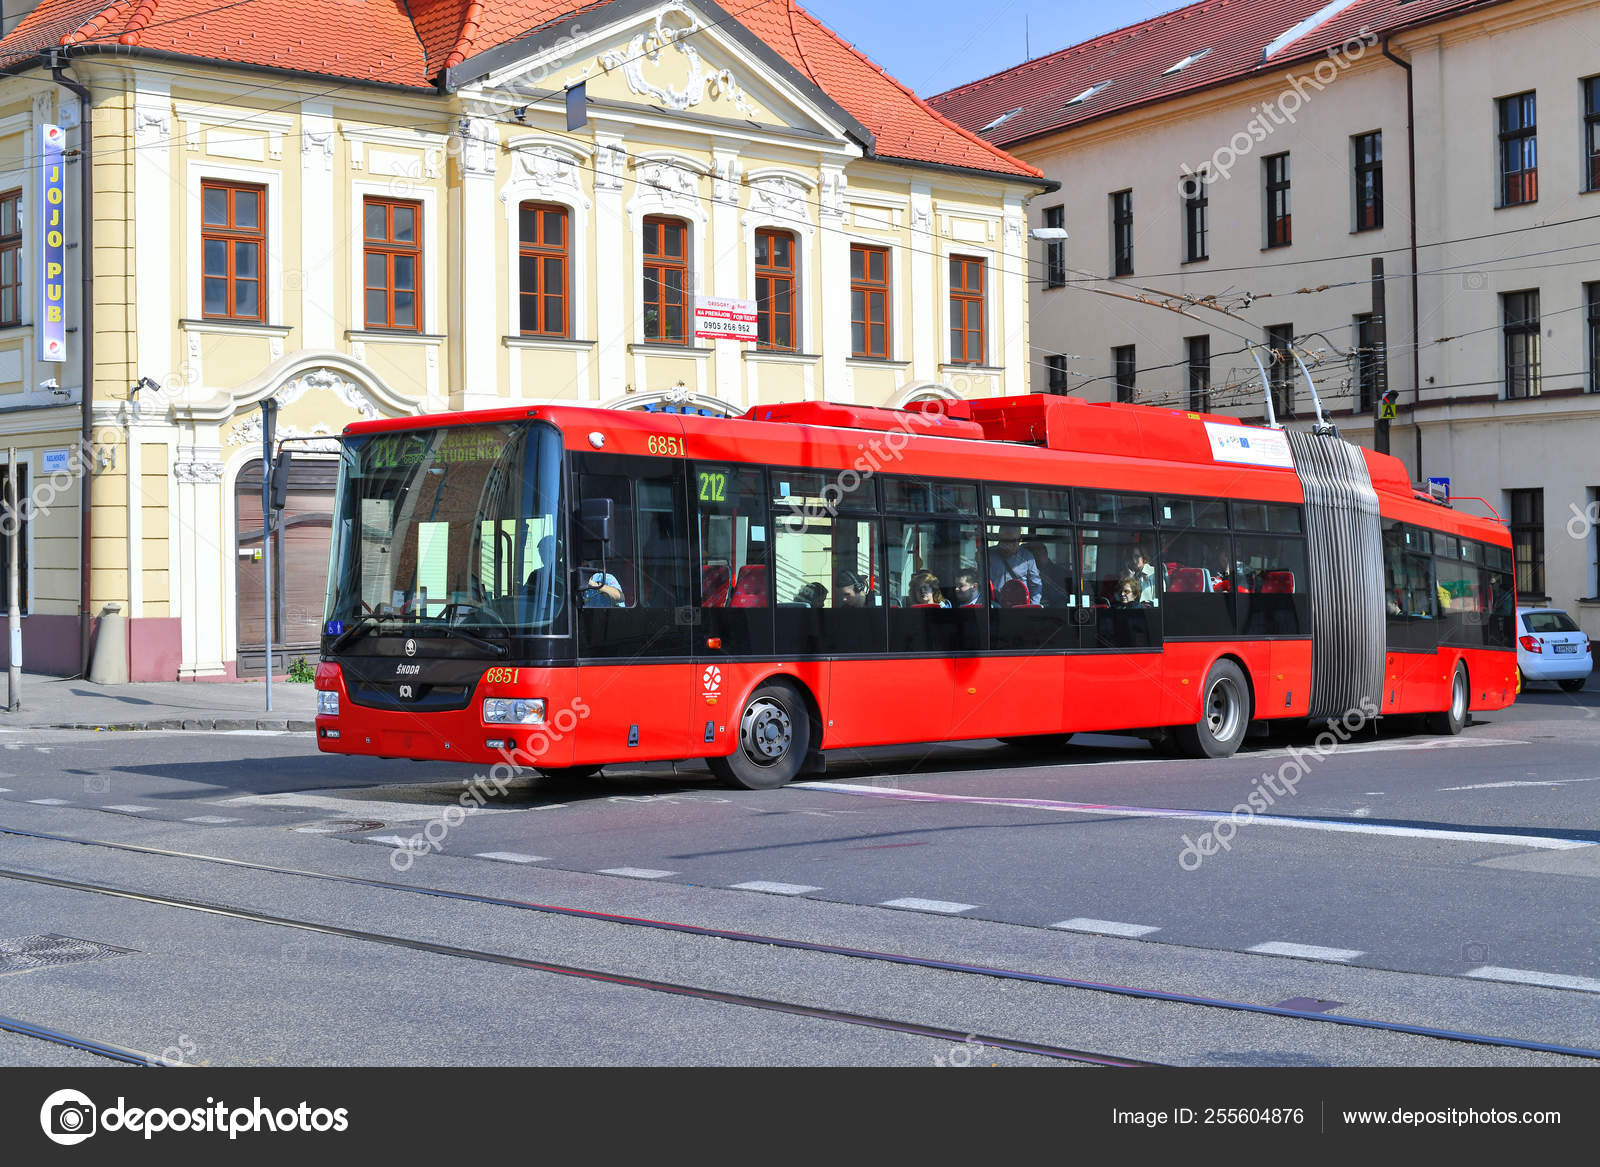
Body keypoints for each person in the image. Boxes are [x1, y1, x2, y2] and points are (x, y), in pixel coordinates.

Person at [988, 525, 1042, 605]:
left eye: (1018, 540)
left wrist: (1033, 607)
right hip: (995, 606)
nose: (1014, 544)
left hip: (1020, 607)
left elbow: (1035, 584)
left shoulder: (1026, 556)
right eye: (1010, 541)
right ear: (1000, 538)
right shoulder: (988, 554)